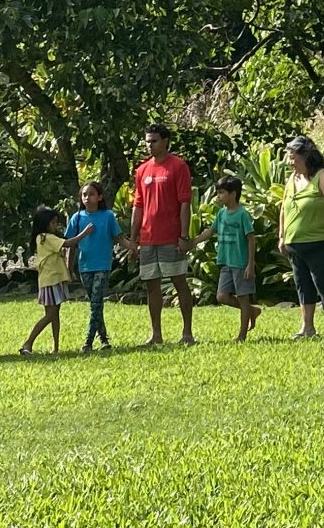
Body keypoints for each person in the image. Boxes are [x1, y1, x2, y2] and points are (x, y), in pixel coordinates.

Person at [129, 124, 195, 347]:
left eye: (154, 141)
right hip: (148, 238)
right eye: (147, 141)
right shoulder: (142, 170)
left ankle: (187, 332)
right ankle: (156, 334)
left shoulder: (178, 166)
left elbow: (185, 203)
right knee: (151, 286)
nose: (150, 145)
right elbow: (138, 205)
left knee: (179, 282)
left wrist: (183, 235)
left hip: (171, 236)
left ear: (166, 141)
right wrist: (133, 239)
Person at [279, 136, 324, 339]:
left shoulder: (323, 176)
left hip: (323, 242)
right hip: (296, 244)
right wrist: (282, 235)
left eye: (293, 158)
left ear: (306, 156)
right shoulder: (293, 178)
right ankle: (307, 328)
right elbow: (284, 206)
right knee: (303, 285)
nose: (290, 162)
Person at [194, 174, 261, 341]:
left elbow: (251, 239)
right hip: (226, 262)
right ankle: (252, 311)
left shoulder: (242, 214)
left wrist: (250, 264)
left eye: (222, 192)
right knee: (221, 296)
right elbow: (210, 231)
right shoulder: (221, 214)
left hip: (241, 263)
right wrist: (192, 243)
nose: (218, 196)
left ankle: (242, 335)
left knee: (243, 298)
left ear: (233, 194)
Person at [65, 181, 121, 353]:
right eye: (84, 194)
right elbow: (70, 245)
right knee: (95, 304)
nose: (87, 198)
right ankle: (103, 339)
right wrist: (68, 268)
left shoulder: (108, 216)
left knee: (95, 303)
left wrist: (133, 246)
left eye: (91, 194)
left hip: (102, 265)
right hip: (84, 267)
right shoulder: (77, 218)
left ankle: (88, 341)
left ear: (100, 197)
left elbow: (118, 237)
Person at [20, 204, 69, 356]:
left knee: (55, 314)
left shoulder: (42, 238)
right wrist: (85, 233)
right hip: (51, 280)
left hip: (53, 280)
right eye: (53, 222)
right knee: (50, 315)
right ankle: (28, 342)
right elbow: (68, 243)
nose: (56, 225)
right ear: (45, 224)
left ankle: (56, 347)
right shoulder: (45, 238)